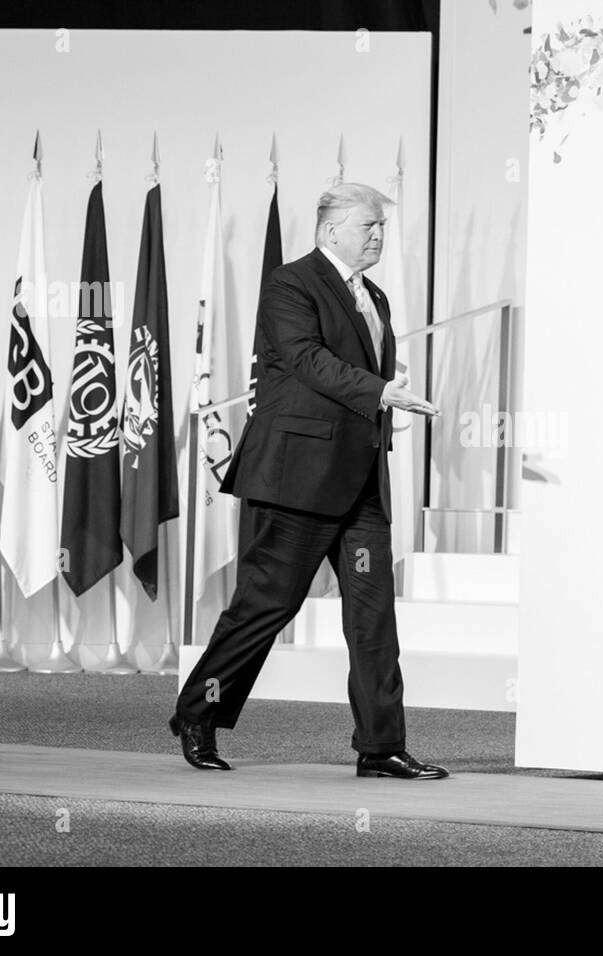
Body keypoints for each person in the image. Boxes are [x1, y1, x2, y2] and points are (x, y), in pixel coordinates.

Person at [170, 183, 448, 780]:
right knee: (265, 607)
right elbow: (306, 360)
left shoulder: (374, 295)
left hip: (362, 486)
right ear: (330, 231)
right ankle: (198, 711)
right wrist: (381, 391)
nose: (378, 237)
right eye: (368, 226)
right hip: (295, 479)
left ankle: (380, 747)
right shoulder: (290, 284)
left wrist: (381, 403)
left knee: (373, 619)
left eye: (382, 228)